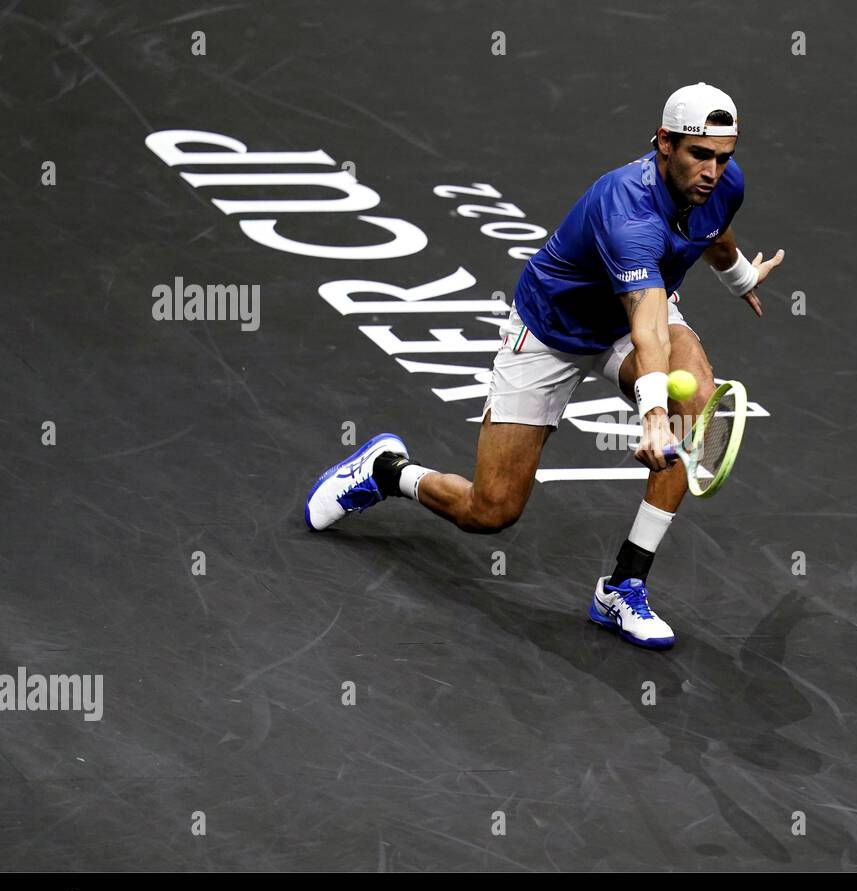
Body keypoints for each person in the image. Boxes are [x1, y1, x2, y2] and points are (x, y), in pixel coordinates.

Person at [304, 81, 784, 649]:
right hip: (552, 331)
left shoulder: (724, 185)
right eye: (698, 155)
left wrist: (741, 279)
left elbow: (715, 231)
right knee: (491, 511)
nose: (711, 171)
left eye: (722, 158)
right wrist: (653, 414)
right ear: (663, 144)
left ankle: (623, 587)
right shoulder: (626, 209)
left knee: (695, 409)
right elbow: (648, 324)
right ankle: (385, 470)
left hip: (628, 323)